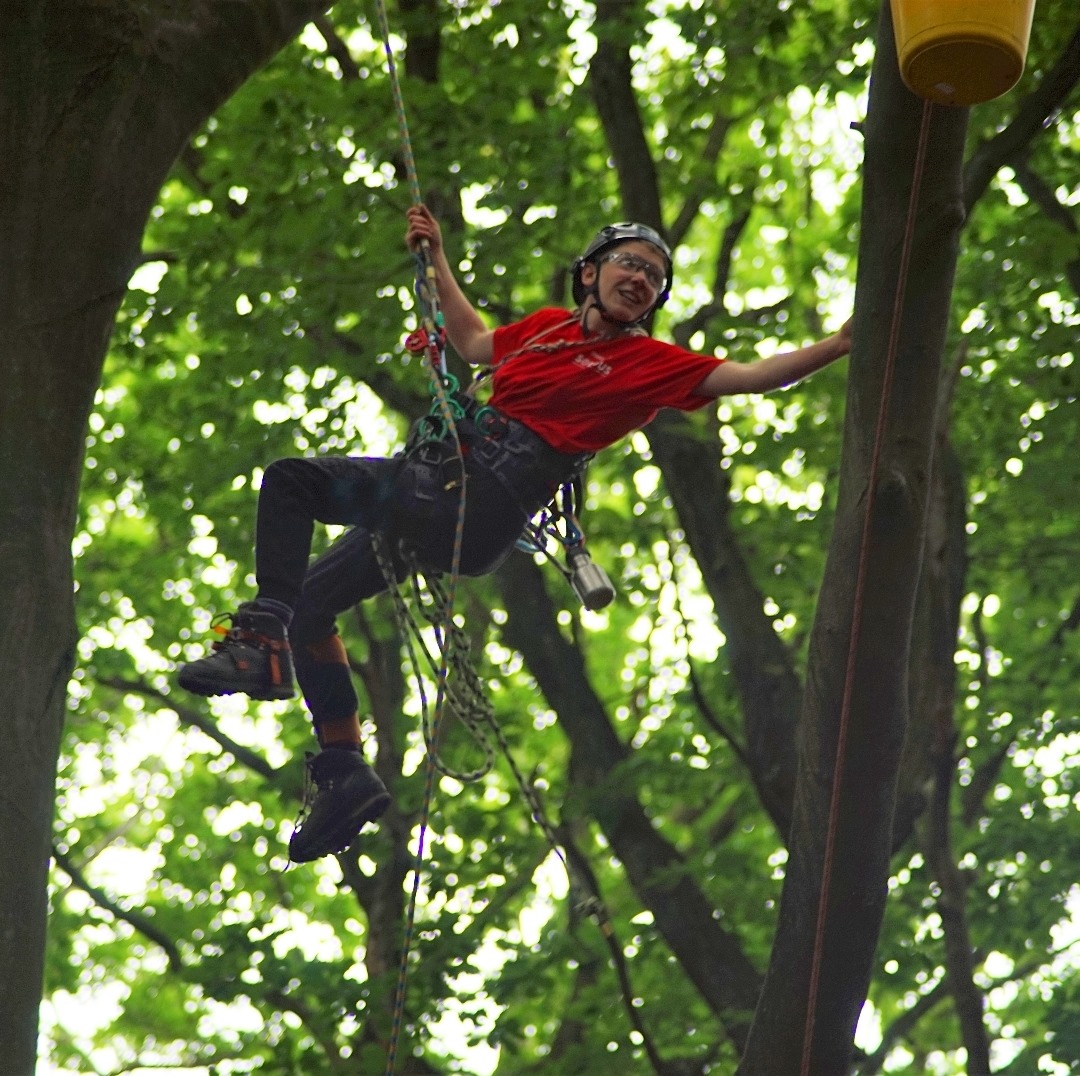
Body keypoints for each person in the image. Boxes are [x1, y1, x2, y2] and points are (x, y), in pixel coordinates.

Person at [177, 204, 852, 863]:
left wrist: (844, 342)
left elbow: (758, 376)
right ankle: (345, 765)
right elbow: (472, 342)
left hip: (477, 496)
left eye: (654, 275)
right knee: (312, 606)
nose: (641, 279)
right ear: (590, 273)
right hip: (439, 495)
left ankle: (258, 641)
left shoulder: (651, 364)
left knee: (293, 482)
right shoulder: (548, 329)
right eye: (630, 263)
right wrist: (437, 258)